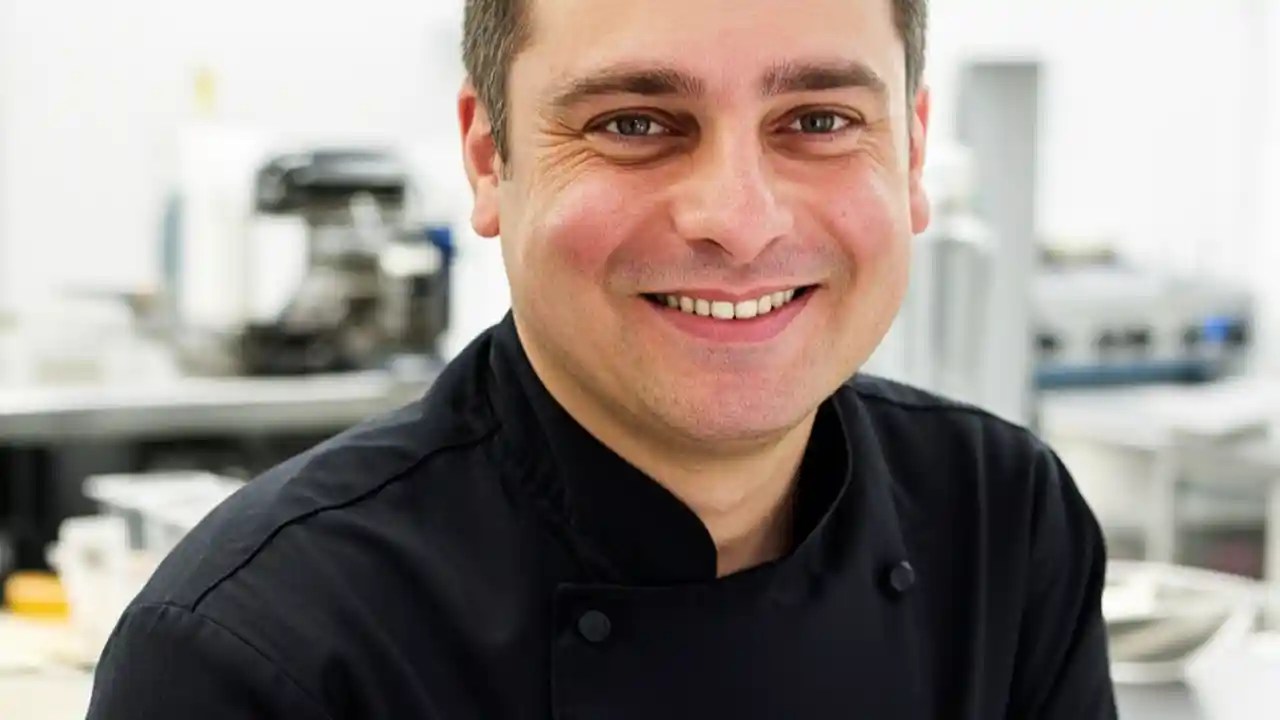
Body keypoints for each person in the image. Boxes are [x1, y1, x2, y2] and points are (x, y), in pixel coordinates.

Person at [87, 0, 1117, 717]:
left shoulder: (999, 520)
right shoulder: (254, 651)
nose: (738, 221)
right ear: (489, 156)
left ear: (909, 153)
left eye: (816, 120)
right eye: (633, 123)